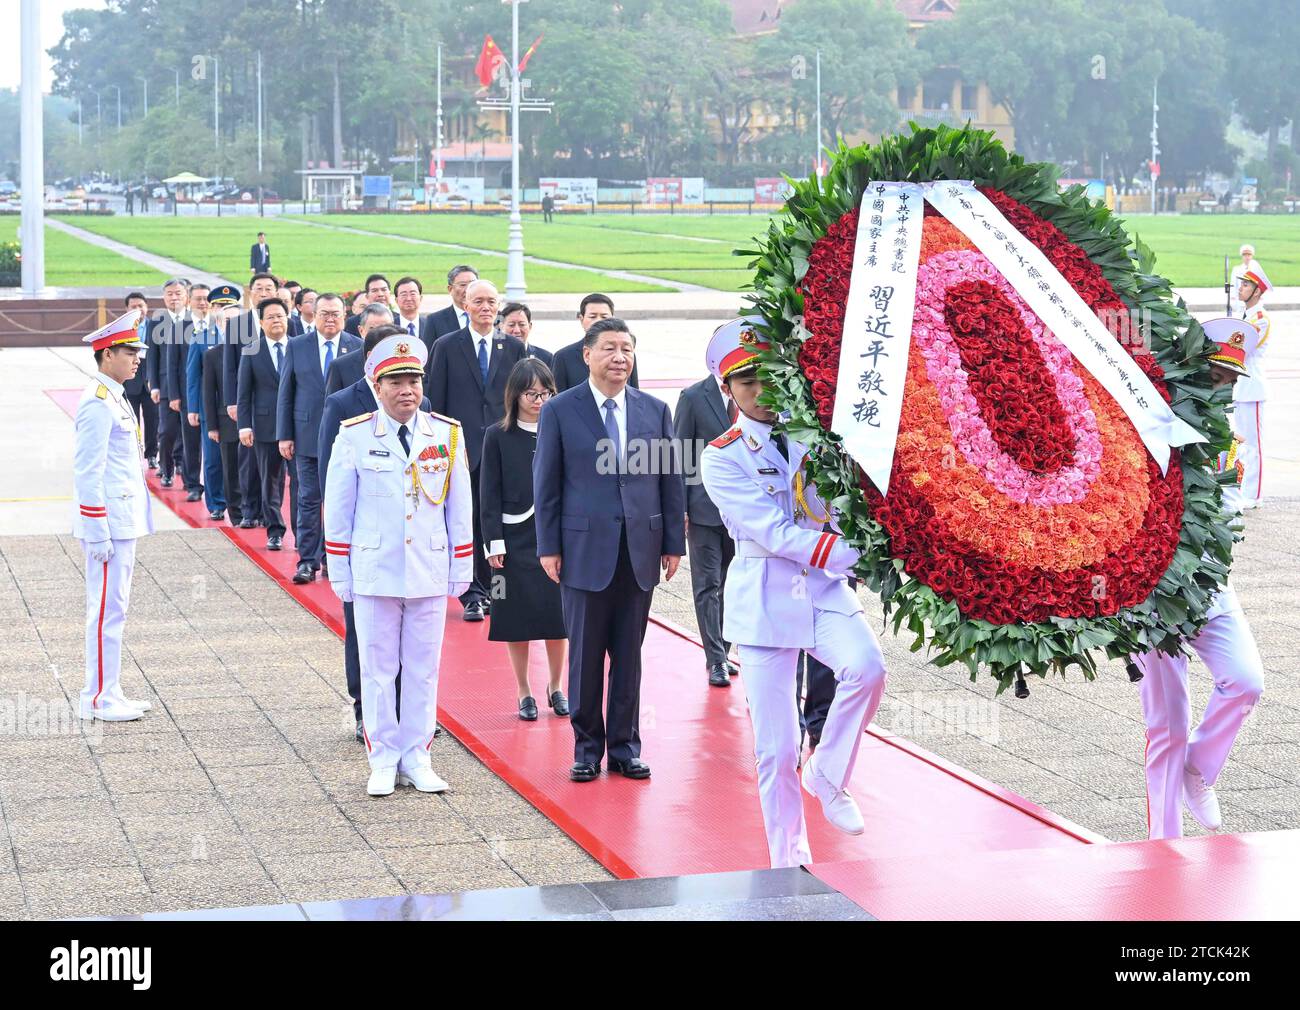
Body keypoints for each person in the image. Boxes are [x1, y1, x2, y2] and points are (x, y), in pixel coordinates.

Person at [699, 318, 888, 868]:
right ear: (727, 390)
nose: (761, 393)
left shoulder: (816, 436)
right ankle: (790, 862)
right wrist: (863, 553)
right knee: (776, 750)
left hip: (823, 588)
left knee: (868, 668)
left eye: (769, 379)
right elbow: (775, 534)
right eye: (746, 383)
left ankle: (828, 771)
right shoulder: (722, 454)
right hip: (764, 596)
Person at [534, 317, 685, 782]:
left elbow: (669, 479)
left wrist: (673, 544)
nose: (619, 358)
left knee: (629, 654)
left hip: (639, 550)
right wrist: (548, 545)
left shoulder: (654, 410)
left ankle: (624, 746)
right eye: (609, 348)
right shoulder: (561, 409)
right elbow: (547, 483)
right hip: (583, 549)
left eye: (627, 350)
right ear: (587, 355)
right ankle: (585, 748)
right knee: (585, 655)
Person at [323, 333, 474, 796]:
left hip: (427, 565)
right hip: (376, 569)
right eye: (396, 381)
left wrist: (461, 564)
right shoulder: (354, 434)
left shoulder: (446, 433)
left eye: (414, 380)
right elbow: (338, 508)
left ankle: (418, 756)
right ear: (376, 383)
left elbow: (459, 504)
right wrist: (340, 570)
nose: (407, 390)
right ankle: (383, 757)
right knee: (378, 667)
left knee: (424, 668)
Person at [1133, 318, 1265, 839]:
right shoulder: (1154, 427)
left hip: (1208, 587)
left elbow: (1228, 517)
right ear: (1190, 372)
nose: (1220, 388)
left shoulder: (1228, 442)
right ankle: (1163, 845)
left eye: (1228, 381)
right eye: (1211, 375)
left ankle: (1199, 768)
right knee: (1166, 724)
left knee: (1246, 681)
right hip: (1152, 595)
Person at [320, 324, 432, 742]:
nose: (407, 387)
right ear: (372, 365)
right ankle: (365, 709)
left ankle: (409, 716)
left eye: (413, 378)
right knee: (366, 637)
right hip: (370, 546)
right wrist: (336, 546)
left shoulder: (424, 409)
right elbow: (330, 478)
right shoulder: (342, 404)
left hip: (414, 546)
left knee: (415, 643)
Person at [426, 279, 528, 622]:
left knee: (498, 523)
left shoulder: (512, 348)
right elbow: (435, 403)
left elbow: (520, 401)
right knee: (466, 522)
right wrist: (444, 447)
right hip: (461, 450)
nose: (485, 307)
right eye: (478, 301)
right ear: (465, 305)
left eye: (491, 302)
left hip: (501, 449)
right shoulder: (446, 345)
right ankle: (471, 593)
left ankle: (497, 592)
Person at [73, 310, 155, 721]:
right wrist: (97, 530)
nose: (137, 358)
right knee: (106, 609)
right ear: (107, 355)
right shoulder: (97, 402)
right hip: (108, 522)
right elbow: (88, 472)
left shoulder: (115, 395)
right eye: (129, 351)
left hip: (122, 518)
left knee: (115, 608)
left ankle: (110, 688)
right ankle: (97, 699)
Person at [481, 359, 569, 721]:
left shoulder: (561, 430)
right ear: (515, 394)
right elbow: (488, 492)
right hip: (511, 538)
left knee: (557, 616)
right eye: (532, 393)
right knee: (513, 615)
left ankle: (556, 685)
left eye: (546, 393)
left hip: (554, 536)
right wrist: (493, 542)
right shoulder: (497, 435)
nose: (539, 400)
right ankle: (523, 690)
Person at [276, 294, 363, 583]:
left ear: (344, 314)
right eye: (324, 313)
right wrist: (284, 434)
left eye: (336, 314)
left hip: (347, 438)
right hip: (307, 435)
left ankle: (334, 557)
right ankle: (307, 560)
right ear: (314, 314)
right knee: (308, 498)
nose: (330, 319)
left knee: (341, 499)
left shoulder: (357, 346)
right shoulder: (298, 345)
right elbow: (286, 392)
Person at [672, 366, 738, 687]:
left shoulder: (752, 390)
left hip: (741, 512)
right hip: (702, 509)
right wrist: (679, 506)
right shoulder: (694, 397)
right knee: (707, 584)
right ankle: (716, 659)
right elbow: (679, 457)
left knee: (732, 584)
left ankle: (724, 650)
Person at [237, 298, 297, 551]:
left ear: (288, 319)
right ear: (261, 323)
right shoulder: (251, 350)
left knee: (299, 481)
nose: (276, 321)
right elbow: (244, 392)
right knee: (269, 480)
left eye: (280, 316)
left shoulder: (299, 346)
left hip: (296, 424)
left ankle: (302, 531)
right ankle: (274, 530)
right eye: (270, 317)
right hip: (264, 425)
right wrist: (244, 425)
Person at [225, 272, 279, 528]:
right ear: (251, 292)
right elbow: (230, 368)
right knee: (249, 460)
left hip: (279, 402)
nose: (264, 292)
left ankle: (271, 513)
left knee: (273, 466)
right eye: (259, 288)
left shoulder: (287, 322)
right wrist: (233, 401)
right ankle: (249, 509)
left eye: (269, 288)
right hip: (250, 402)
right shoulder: (238, 325)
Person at [1230, 266, 1273, 510]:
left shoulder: (1260, 320)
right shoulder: (1245, 316)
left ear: (1257, 292)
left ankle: (1254, 495)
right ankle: (1242, 489)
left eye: (1246, 285)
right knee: (1241, 444)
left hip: (1253, 388)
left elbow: (1241, 348)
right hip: (1241, 388)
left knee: (1254, 445)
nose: (1241, 288)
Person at [202, 286, 245, 527]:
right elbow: (209, 392)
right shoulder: (213, 354)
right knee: (229, 468)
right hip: (225, 420)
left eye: (237, 322)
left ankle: (254, 510)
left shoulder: (255, 349)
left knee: (252, 468)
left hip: (254, 419)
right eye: (227, 322)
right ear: (219, 325)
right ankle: (236, 513)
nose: (232, 326)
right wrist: (212, 425)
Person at [184, 283, 226, 518]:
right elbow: (193, 375)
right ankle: (217, 503)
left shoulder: (245, 337)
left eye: (227, 307)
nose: (221, 310)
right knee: (212, 458)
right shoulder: (201, 338)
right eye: (218, 305)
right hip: (210, 405)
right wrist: (193, 407)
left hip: (239, 406)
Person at [146, 278, 191, 490]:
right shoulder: (157, 321)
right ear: (164, 297)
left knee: (188, 431)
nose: (174, 297)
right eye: (170, 294)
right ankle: (167, 468)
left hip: (189, 385)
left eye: (178, 293)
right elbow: (152, 355)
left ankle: (183, 463)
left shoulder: (195, 320)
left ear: (186, 296)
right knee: (166, 431)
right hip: (165, 386)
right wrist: (153, 384)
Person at [549, 294, 641, 392]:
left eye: (604, 317)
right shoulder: (563, 357)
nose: (598, 321)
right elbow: (556, 399)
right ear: (581, 319)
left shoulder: (625, 356)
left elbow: (634, 393)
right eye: (592, 316)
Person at [120, 291, 158, 469]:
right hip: (129, 381)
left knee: (153, 420)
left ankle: (151, 455)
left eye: (141, 306)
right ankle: (133, 454)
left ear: (146, 307)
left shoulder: (156, 327)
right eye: (133, 307)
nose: (138, 309)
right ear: (126, 309)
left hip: (151, 381)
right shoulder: (121, 330)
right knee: (130, 421)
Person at [326, 302, 398, 396]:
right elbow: (333, 405)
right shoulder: (340, 367)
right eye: (372, 329)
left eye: (386, 329)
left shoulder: (404, 361)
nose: (380, 335)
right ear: (361, 331)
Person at [422, 265, 477, 348]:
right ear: (450, 289)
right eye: (462, 285)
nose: (468, 289)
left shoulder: (494, 316)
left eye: (472, 284)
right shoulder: (435, 320)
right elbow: (430, 356)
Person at [499, 301, 552, 367]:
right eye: (511, 325)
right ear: (501, 326)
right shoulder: (493, 356)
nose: (517, 330)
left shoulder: (545, 358)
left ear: (530, 326)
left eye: (522, 325)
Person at [1229, 245, 1264, 316]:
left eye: (1249, 255)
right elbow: (1233, 284)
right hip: (1240, 301)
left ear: (1252, 256)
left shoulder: (1256, 269)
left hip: (1253, 301)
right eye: (1245, 255)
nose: (1247, 257)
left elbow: (1260, 285)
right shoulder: (1236, 269)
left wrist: (1261, 299)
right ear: (1242, 256)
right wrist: (1233, 299)